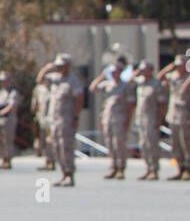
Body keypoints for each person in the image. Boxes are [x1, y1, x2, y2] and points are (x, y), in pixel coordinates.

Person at [37, 54, 82, 187]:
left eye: (61, 65)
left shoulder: (72, 81)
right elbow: (39, 80)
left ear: (68, 66)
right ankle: (63, 173)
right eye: (57, 66)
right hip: (54, 119)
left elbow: (79, 99)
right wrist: (47, 68)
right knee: (56, 146)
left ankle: (69, 174)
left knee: (66, 146)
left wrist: (76, 117)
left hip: (66, 119)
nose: (58, 68)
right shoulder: (54, 79)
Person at [88, 55, 135, 179]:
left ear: (120, 72)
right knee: (110, 144)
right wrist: (103, 75)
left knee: (119, 144)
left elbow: (131, 106)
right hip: (107, 119)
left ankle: (120, 168)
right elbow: (93, 88)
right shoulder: (108, 84)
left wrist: (128, 122)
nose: (113, 74)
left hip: (120, 119)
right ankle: (113, 167)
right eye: (112, 71)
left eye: (115, 71)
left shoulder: (126, 86)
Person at [159, 56, 190, 179]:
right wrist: (169, 67)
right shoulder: (172, 77)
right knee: (176, 143)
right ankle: (180, 168)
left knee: (187, 143)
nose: (179, 68)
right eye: (178, 65)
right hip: (173, 115)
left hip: (185, 114)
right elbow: (159, 78)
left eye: (181, 65)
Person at [132, 60, 165, 180]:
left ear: (150, 70)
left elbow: (162, 104)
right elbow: (128, 82)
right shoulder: (140, 82)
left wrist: (160, 119)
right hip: (140, 118)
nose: (142, 71)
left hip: (152, 117)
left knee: (152, 144)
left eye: (144, 69)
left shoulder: (156, 84)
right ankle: (147, 168)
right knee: (143, 145)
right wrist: (136, 73)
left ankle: (154, 169)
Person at [0, 72, 19, 169]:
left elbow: (12, 105)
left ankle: (8, 160)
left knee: (7, 140)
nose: (3, 82)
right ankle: (3, 159)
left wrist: (2, 112)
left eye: (5, 80)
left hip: (8, 118)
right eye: (1, 81)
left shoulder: (13, 92)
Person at [31, 76, 55, 171]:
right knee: (43, 140)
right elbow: (35, 105)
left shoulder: (54, 89)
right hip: (41, 119)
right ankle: (47, 160)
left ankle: (51, 161)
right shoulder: (39, 89)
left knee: (50, 141)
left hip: (51, 119)